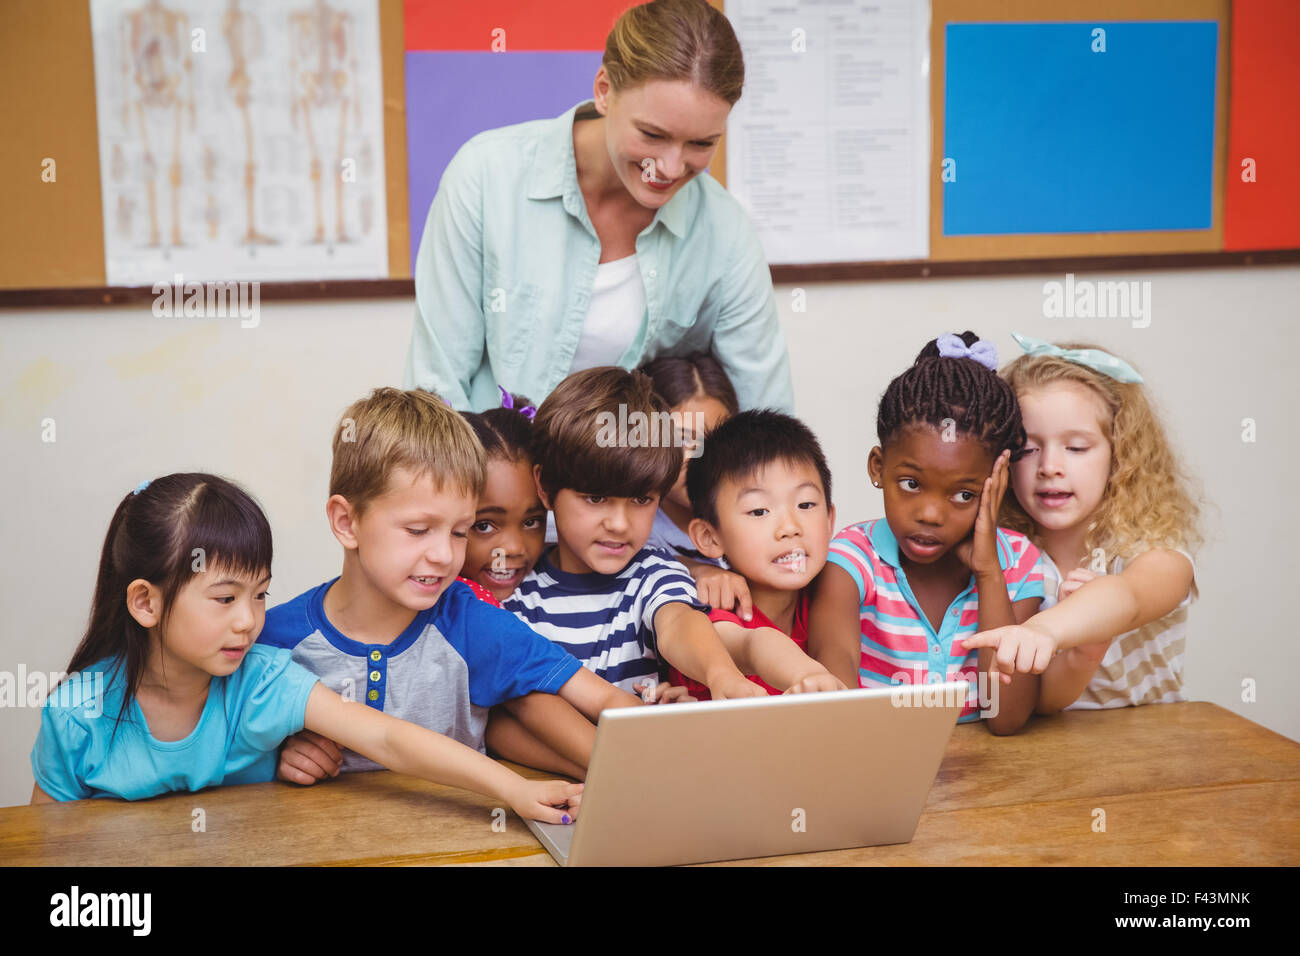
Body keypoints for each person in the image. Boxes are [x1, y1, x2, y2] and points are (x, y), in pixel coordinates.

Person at [30, 473, 582, 824]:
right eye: (224, 598)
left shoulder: (262, 680)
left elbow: (387, 737)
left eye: (260, 595)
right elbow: (44, 846)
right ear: (146, 603)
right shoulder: (76, 716)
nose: (249, 621)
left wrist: (514, 788)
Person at [404, 0, 792, 414]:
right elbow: (437, 391)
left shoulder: (724, 232)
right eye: (652, 134)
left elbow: (766, 418)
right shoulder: (485, 179)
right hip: (487, 474)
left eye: (701, 143)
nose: (670, 167)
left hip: (638, 479)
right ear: (605, 90)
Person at [258, 389, 640, 786]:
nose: (444, 555)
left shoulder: (470, 621)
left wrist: (664, 733)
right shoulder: (271, 639)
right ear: (346, 521)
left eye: (460, 531)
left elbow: (604, 698)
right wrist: (278, 754)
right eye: (419, 530)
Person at [807, 332, 1046, 733]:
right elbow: (836, 684)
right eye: (912, 484)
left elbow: (1007, 718)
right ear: (877, 467)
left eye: (964, 493)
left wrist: (988, 572)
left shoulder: (1017, 564)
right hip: (878, 762)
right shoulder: (850, 560)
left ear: (996, 485)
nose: (931, 514)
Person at [958, 334, 1199, 721]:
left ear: (1120, 456)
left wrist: (1045, 630)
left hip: (1155, 752)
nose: (1050, 466)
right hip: (1054, 754)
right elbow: (1044, 704)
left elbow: (1126, 598)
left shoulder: (1157, 554)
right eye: (1028, 448)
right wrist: (1086, 651)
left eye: (1076, 448)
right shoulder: (1009, 560)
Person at [669, 409, 846, 700]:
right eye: (759, 511)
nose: (789, 528)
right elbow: (755, 645)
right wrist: (809, 676)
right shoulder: (710, 612)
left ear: (829, 519)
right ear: (709, 537)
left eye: (805, 504)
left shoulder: (836, 597)